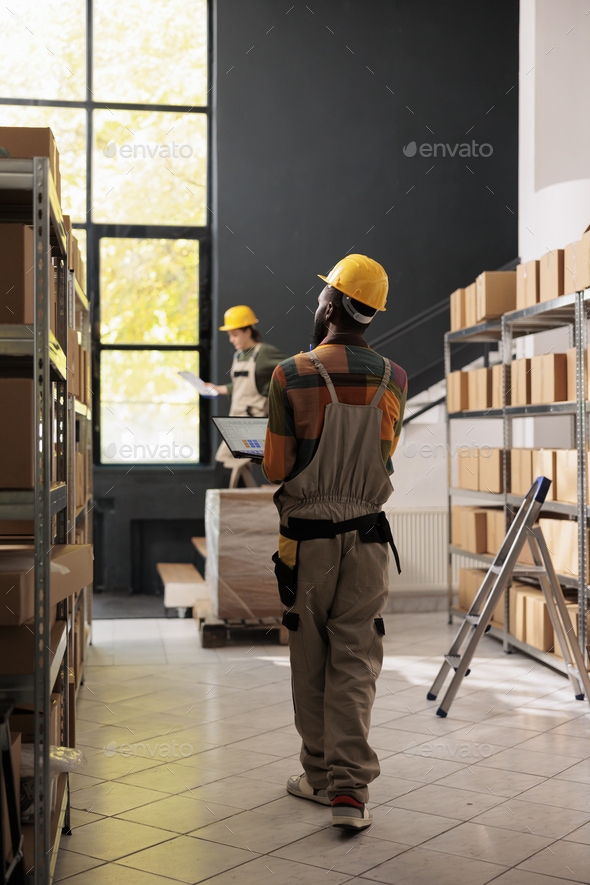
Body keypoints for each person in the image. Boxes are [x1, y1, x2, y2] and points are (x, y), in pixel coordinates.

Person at [262, 254, 407, 830]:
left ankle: (319, 777)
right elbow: (384, 454)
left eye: (322, 296)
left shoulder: (289, 373)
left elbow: (277, 466)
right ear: (370, 314)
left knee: (310, 654)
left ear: (329, 305)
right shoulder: (394, 376)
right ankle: (351, 794)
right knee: (356, 656)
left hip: (308, 541)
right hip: (369, 539)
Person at [207, 305, 287, 488]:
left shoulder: (264, 353)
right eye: (230, 335)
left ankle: (230, 510)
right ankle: (250, 510)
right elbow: (240, 387)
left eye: (234, 334)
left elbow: (293, 367)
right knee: (237, 469)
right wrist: (217, 389)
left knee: (225, 464)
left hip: (253, 425)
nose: (231, 339)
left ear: (248, 330)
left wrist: (273, 395)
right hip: (237, 423)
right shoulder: (239, 356)